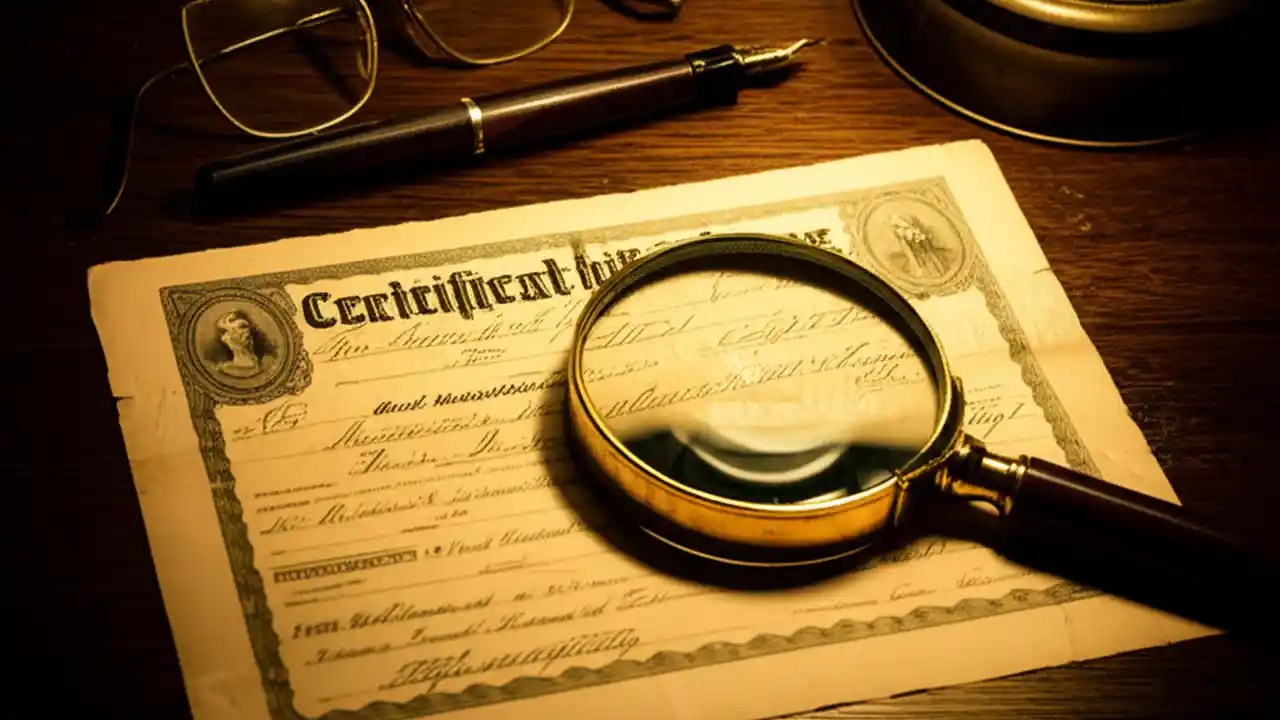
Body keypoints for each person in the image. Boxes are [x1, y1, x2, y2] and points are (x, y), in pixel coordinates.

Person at [214, 310, 267, 378]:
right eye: (241, 327)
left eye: (246, 327)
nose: (246, 331)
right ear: (226, 337)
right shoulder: (225, 369)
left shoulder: (265, 363)